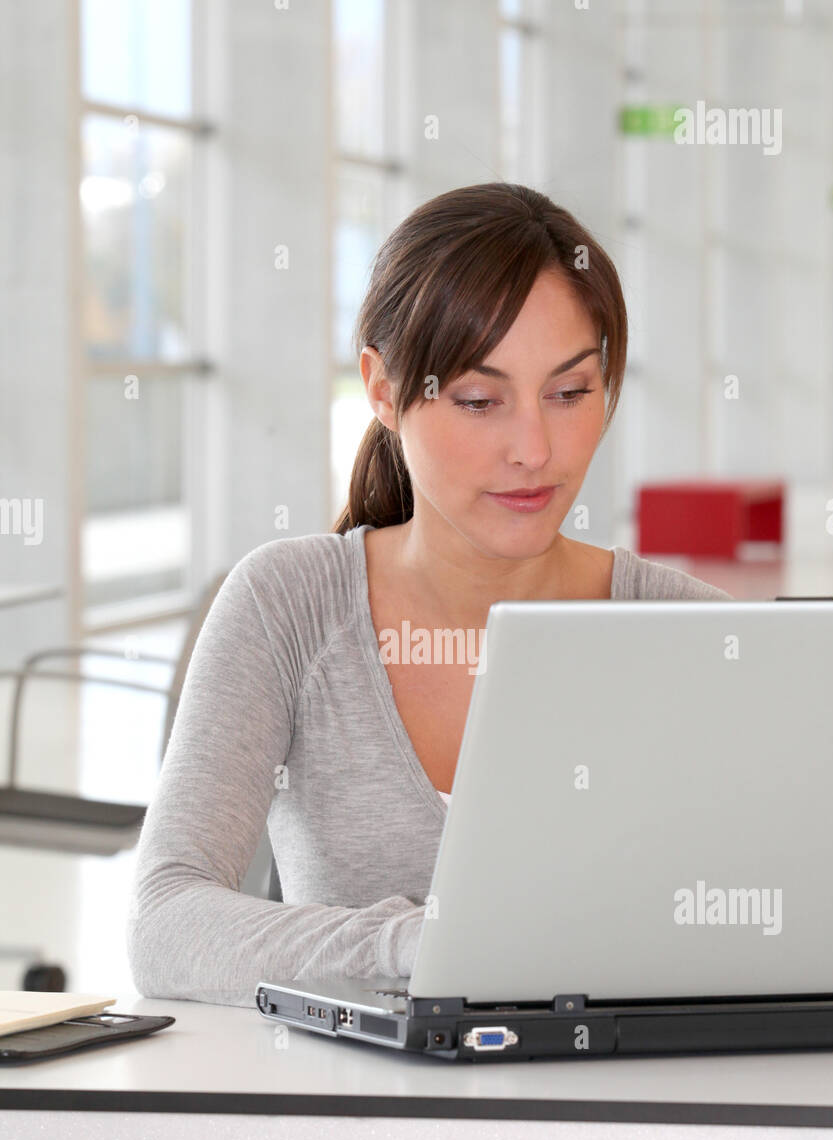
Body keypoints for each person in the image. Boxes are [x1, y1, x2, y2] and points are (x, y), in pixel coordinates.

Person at [128, 182, 730, 1006]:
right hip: (360, 1121)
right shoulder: (290, 606)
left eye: (571, 393)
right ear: (382, 390)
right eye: (481, 400)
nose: (535, 449)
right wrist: (428, 945)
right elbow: (165, 923)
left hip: (627, 1118)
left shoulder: (693, 633)